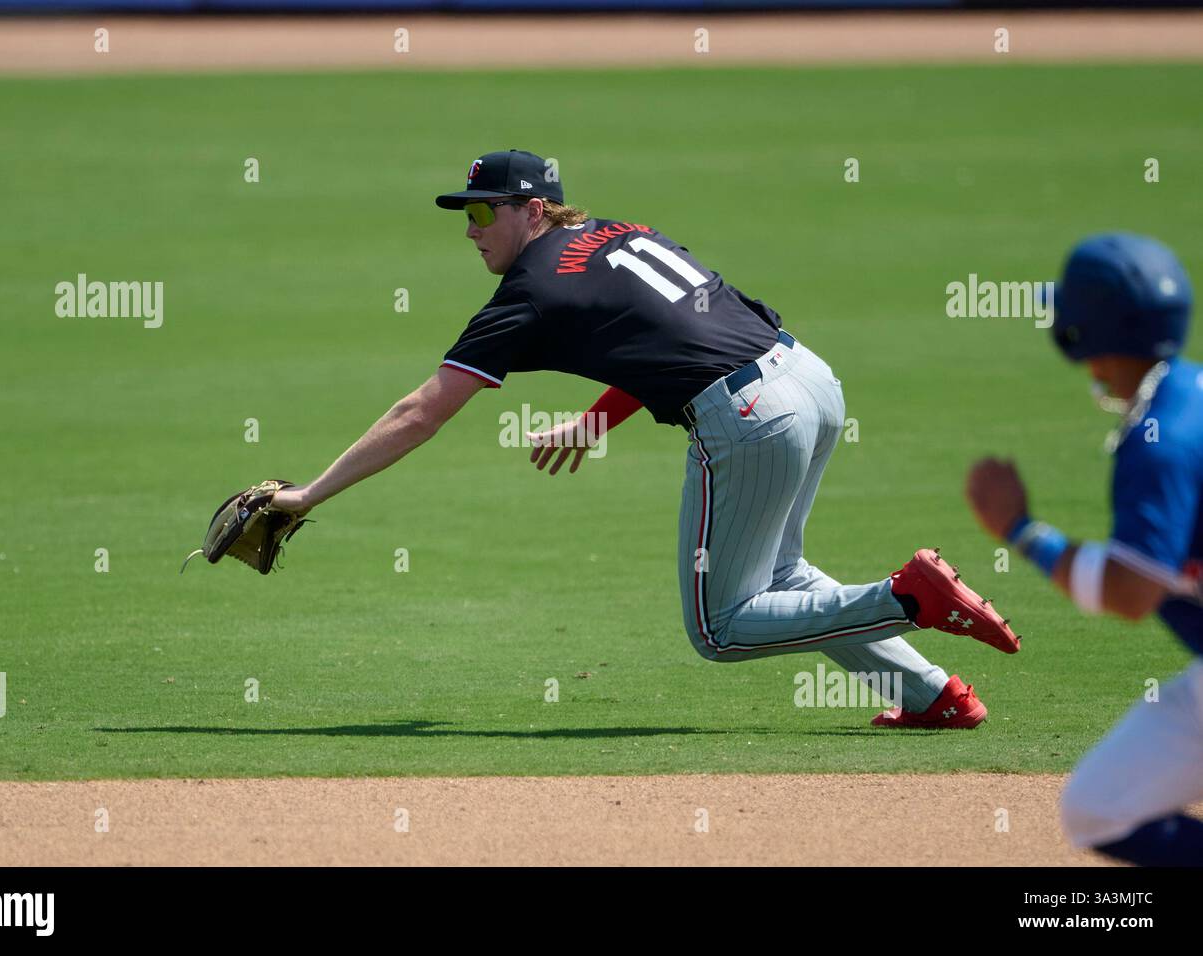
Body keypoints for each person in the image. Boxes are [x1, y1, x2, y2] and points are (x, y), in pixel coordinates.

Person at [272, 148, 1018, 728]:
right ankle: (932, 695)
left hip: (751, 418)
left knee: (721, 628)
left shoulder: (529, 291)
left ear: (531, 211)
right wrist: (595, 421)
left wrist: (308, 495)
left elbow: (421, 413)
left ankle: (908, 598)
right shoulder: (615, 232)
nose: (469, 231)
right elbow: (673, 333)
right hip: (810, 380)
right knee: (782, 579)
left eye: (480, 213)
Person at [967, 232, 1202, 865]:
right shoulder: (1186, 396)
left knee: (1102, 809)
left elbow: (1129, 593)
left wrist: (1020, 529)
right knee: (1099, 808)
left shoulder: (1162, 443)